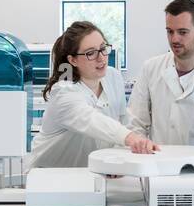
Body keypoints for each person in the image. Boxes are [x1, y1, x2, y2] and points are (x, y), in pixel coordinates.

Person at [26, 21, 156, 169]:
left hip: (88, 174)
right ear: (72, 60)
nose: (101, 58)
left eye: (102, 48)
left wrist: (118, 160)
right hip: (49, 176)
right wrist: (130, 138)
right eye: (90, 53)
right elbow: (90, 119)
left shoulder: (113, 77)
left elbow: (122, 122)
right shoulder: (64, 91)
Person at [129, 0, 194, 147]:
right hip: (159, 162)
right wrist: (141, 149)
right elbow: (136, 122)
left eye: (182, 32)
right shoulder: (150, 68)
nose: (174, 39)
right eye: (170, 31)